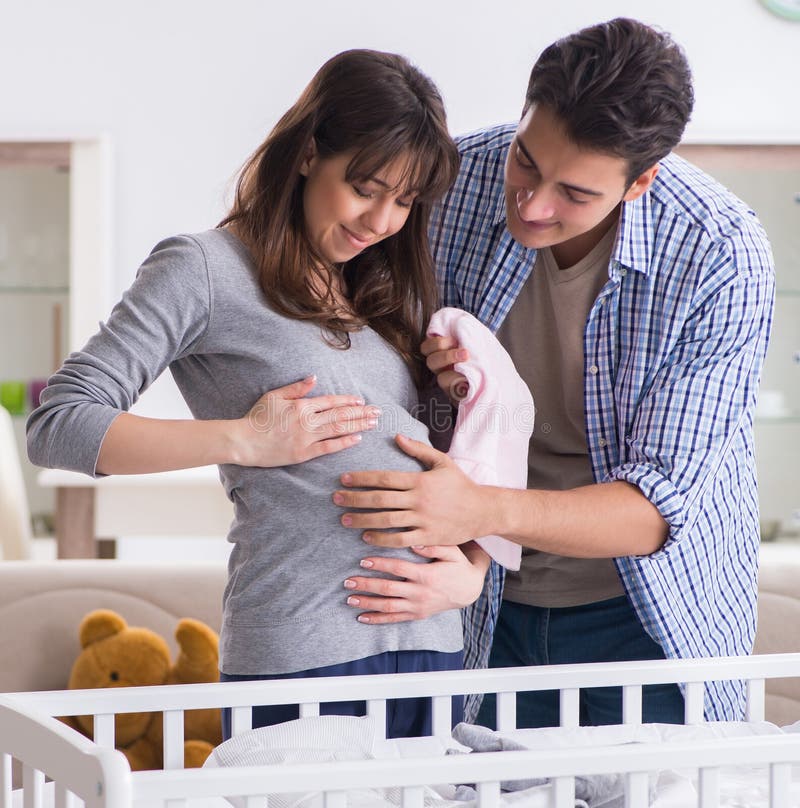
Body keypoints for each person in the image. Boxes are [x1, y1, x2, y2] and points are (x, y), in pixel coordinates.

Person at [332, 19, 776, 725]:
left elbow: (654, 509)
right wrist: (425, 368)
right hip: (481, 604)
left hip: (646, 618)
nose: (532, 206)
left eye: (574, 193)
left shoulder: (720, 254)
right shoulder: (453, 182)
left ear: (641, 181)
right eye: (527, 161)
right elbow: (350, 331)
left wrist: (479, 509)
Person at [26, 49, 468, 739]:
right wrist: (245, 438)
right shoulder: (205, 268)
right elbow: (59, 424)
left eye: (405, 202)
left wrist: (467, 574)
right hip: (305, 654)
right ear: (306, 153)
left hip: (433, 645)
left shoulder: (375, 288)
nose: (383, 220)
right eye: (365, 186)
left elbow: (430, 457)